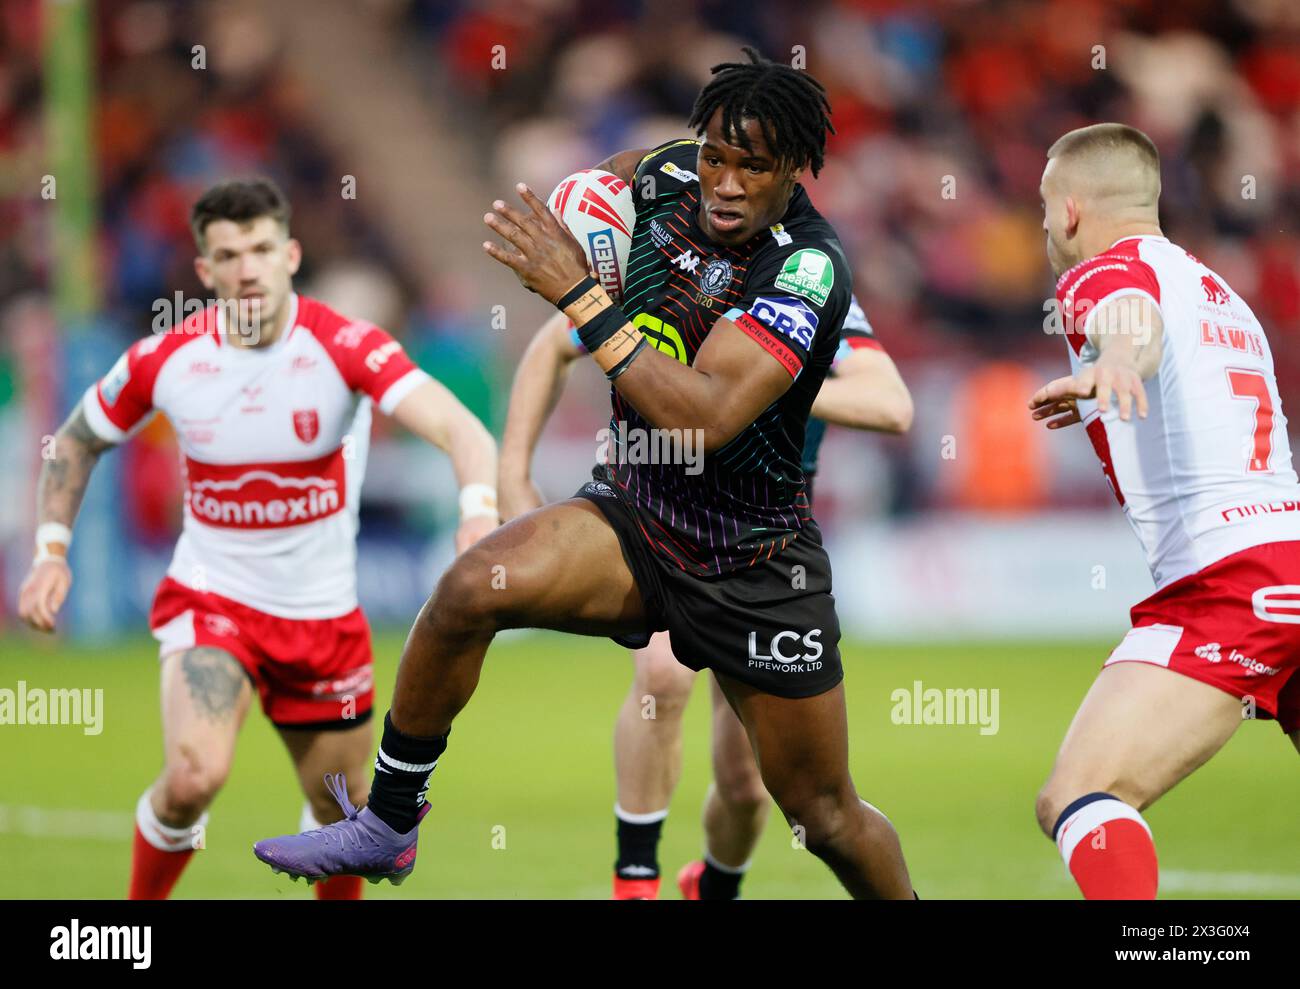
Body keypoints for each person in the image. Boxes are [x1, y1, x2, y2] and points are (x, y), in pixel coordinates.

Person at [252, 48, 916, 900]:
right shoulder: (674, 175)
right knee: (468, 589)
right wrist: (590, 213)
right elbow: (617, 176)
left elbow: (705, 416)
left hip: (754, 560)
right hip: (636, 513)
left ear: (794, 169)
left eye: (754, 165)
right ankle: (388, 821)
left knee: (822, 815)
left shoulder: (806, 267)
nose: (725, 181)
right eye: (716, 154)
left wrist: (585, 295)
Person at [17, 177, 498, 900]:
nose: (247, 267)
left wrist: (478, 510)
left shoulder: (345, 347)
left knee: (347, 816)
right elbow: (75, 440)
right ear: (205, 271)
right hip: (214, 604)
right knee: (192, 778)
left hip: (323, 619)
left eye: (261, 248)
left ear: (290, 254)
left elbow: (459, 427)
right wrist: (51, 548)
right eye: (229, 254)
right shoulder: (167, 359)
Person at [498, 295, 911, 899]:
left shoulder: (803, 292)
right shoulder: (666, 275)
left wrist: (761, 380)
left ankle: (715, 886)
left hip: (765, 544)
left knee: (748, 783)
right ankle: (634, 880)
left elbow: (892, 405)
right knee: (661, 681)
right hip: (661, 508)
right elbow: (551, 345)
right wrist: (511, 470)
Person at [1028, 123, 1300, 899]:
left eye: (1045, 207)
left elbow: (1129, 320)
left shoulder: (1099, 274)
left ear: (1072, 210)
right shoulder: (1223, 294)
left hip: (1232, 580)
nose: (1045, 226)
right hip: (1290, 559)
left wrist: (1115, 360)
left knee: (1081, 793)